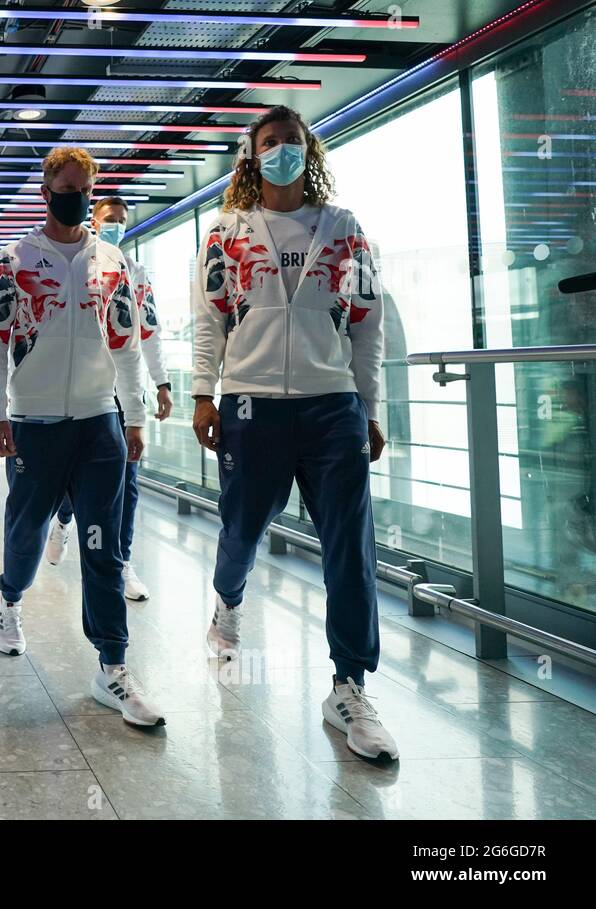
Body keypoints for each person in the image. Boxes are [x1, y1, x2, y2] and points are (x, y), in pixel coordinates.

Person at [191, 104, 397, 761]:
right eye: (271, 141)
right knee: (241, 527)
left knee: (349, 544)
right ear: (252, 157)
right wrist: (202, 393)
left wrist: (372, 409)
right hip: (252, 404)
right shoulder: (226, 231)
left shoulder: (343, 228)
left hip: (332, 404)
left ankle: (348, 685)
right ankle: (228, 602)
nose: (283, 148)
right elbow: (208, 319)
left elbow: (367, 326)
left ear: (311, 151)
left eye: (293, 140)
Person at [0, 145, 164, 728]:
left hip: (98, 424)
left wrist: (133, 416)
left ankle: (113, 665)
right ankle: (9, 599)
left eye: (84, 188)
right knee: (26, 531)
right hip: (33, 424)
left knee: (102, 546)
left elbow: (127, 345)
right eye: (66, 186)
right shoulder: (14, 260)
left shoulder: (113, 263)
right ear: (45, 192)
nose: (75, 197)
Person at [44, 196, 174, 604]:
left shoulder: (135, 274)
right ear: (94, 222)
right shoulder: (78, 266)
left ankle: (121, 563)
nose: (116, 226)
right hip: (86, 394)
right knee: (72, 479)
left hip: (124, 397)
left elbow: (147, 334)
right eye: (109, 220)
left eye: (121, 221)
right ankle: (65, 519)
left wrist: (162, 383)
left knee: (127, 484)